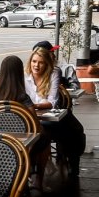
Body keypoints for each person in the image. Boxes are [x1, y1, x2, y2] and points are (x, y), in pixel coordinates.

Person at [0, 55, 51, 190]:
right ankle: (38, 179)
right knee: (45, 137)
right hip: (20, 146)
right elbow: (34, 125)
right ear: (20, 72)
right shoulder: (22, 96)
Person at [27, 41, 86, 179]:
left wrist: (31, 106)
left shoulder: (54, 72)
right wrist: (29, 107)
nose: (36, 65)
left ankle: (72, 163)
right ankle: (33, 170)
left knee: (75, 130)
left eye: (40, 62)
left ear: (47, 62)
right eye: (34, 61)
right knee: (44, 134)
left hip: (51, 117)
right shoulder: (24, 75)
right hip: (30, 119)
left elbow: (52, 102)